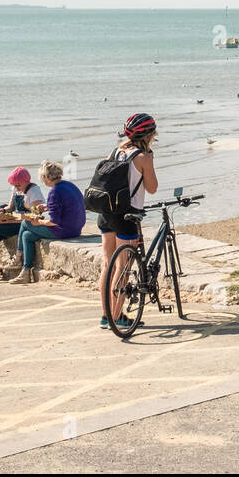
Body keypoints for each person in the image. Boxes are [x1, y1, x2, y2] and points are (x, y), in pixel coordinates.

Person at [99, 114, 159, 329]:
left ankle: (105, 315)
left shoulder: (115, 151)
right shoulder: (143, 156)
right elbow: (152, 188)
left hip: (105, 213)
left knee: (108, 265)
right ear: (150, 135)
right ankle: (117, 318)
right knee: (123, 268)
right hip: (127, 216)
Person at [9, 160, 86, 284]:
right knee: (27, 235)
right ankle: (26, 271)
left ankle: (18, 257)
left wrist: (38, 223)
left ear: (46, 177)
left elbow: (54, 222)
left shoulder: (54, 191)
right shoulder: (69, 185)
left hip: (64, 231)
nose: (42, 181)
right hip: (76, 228)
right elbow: (66, 206)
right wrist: (47, 206)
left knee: (25, 223)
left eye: (42, 177)